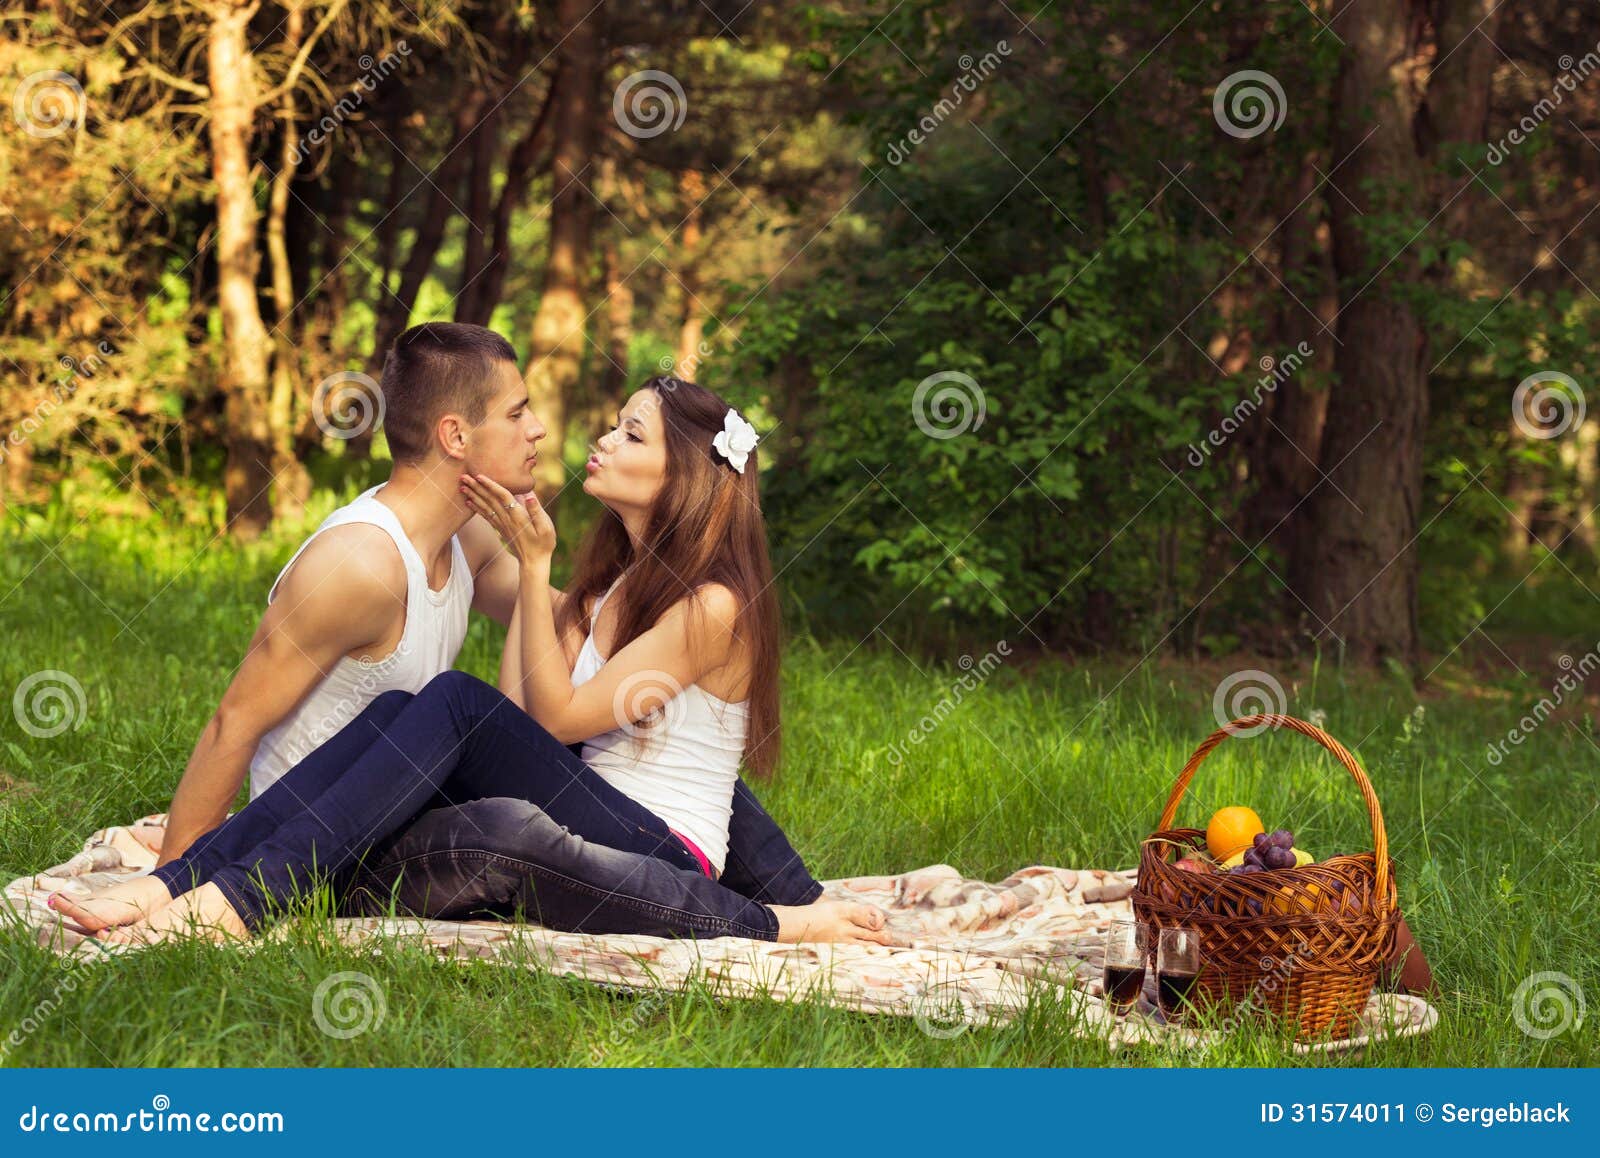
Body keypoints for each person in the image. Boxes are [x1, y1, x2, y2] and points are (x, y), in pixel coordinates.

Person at [50, 374, 890, 946]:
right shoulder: (609, 591)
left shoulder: (711, 606)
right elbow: (520, 717)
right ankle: (181, 881)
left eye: (628, 432)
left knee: (445, 702)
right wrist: (541, 588)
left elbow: (543, 723)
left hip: (662, 852)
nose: (598, 438)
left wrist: (529, 569)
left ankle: (236, 900)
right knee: (396, 713)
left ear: (684, 476)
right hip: (596, 808)